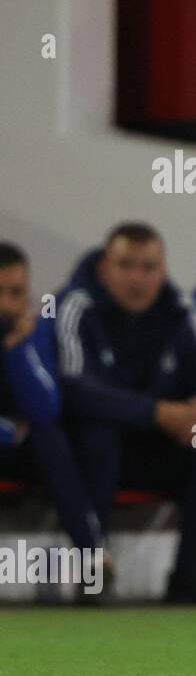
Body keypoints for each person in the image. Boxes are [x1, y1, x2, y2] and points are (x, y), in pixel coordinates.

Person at [55, 223, 196, 603]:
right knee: (97, 438)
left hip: (157, 448)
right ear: (104, 268)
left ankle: (190, 574)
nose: (137, 278)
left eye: (148, 267)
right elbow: (76, 389)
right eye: (126, 265)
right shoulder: (74, 307)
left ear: (162, 271)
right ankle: (92, 571)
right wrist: (158, 413)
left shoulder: (180, 310)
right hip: (94, 451)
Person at [0, 242, 106, 593]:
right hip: (7, 435)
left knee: (56, 437)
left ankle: (92, 557)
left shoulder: (32, 331)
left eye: (15, 292)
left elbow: (46, 408)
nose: (6, 304)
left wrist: (17, 348)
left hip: (24, 444)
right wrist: (7, 430)